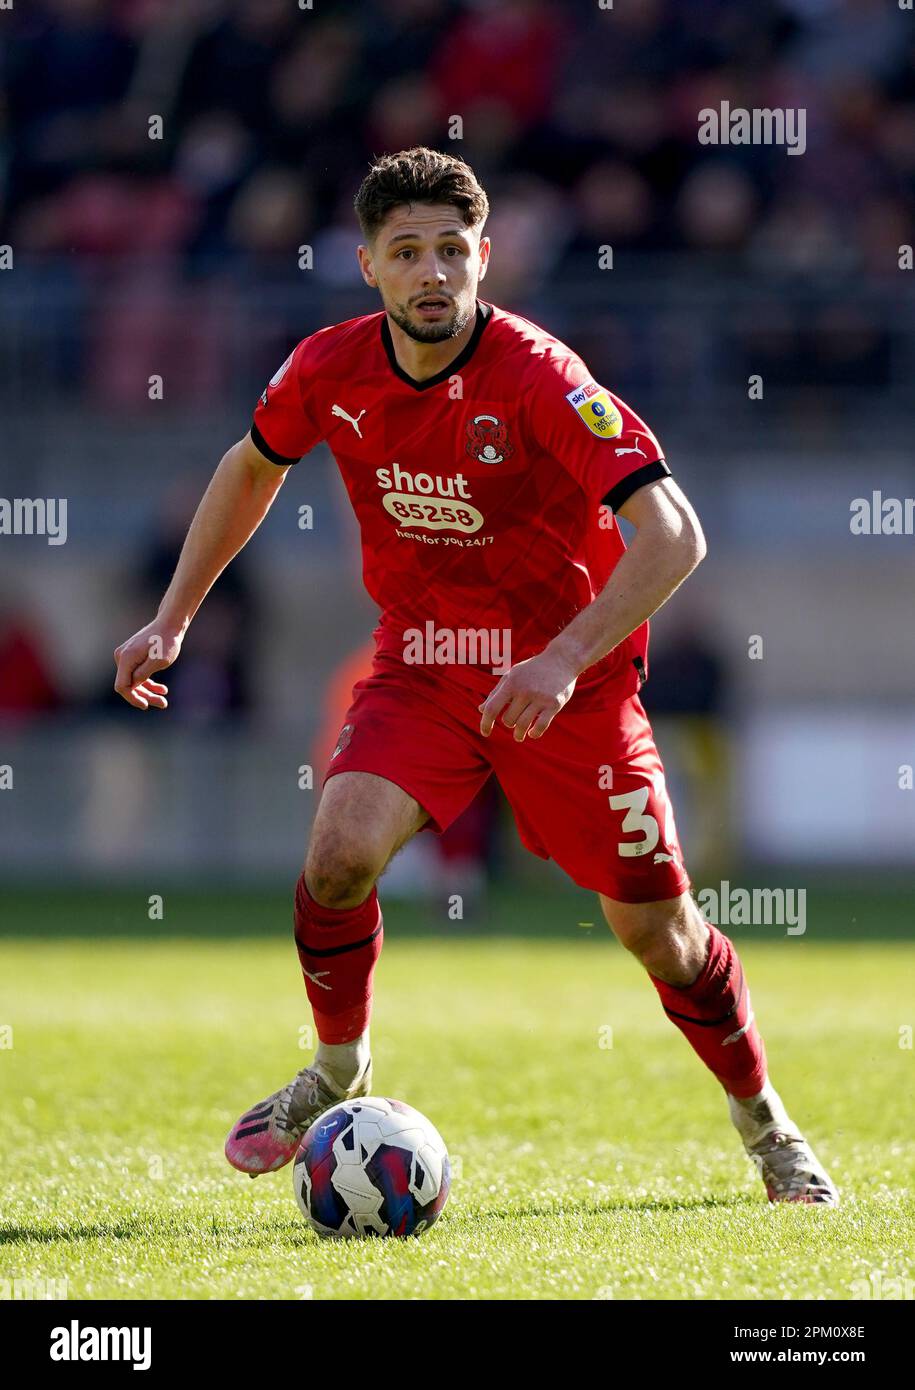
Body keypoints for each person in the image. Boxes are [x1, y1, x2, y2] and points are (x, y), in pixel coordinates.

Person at [113, 147, 837, 1206]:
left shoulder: (541, 375)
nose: (431, 272)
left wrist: (563, 655)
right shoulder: (328, 366)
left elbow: (672, 537)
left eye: (452, 250)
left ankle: (765, 1124)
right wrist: (173, 617)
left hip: (570, 688)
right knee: (339, 852)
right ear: (368, 267)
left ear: (485, 259)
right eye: (406, 252)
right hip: (424, 669)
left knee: (660, 934)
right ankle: (339, 1067)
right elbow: (252, 464)